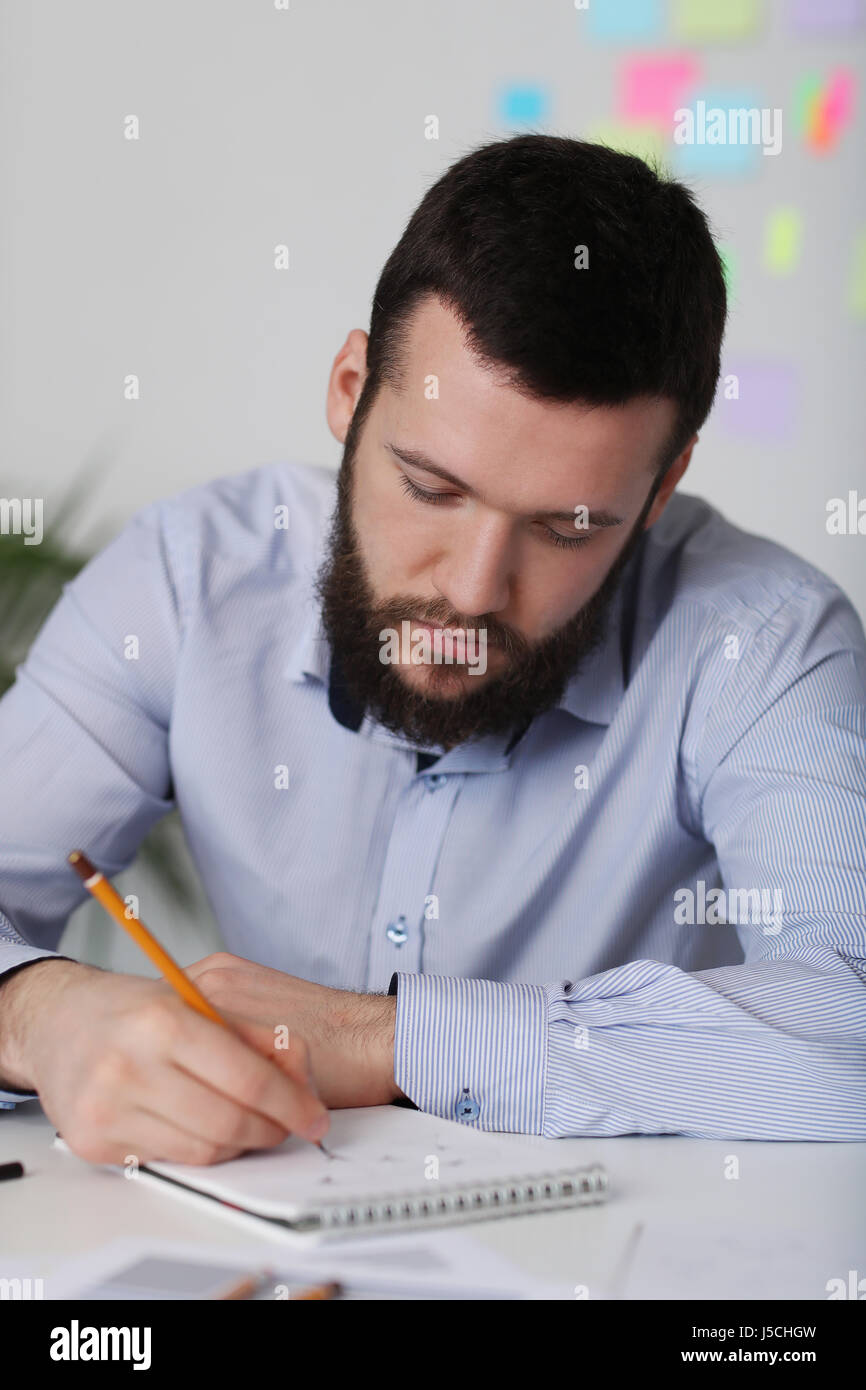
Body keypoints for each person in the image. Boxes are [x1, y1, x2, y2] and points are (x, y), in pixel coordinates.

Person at [1, 135, 864, 1167]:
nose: (468, 587)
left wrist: (390, 1039)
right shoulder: (185, 584)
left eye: (566, 526)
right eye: (430, 488)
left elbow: (847, 1015)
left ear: (661, 485)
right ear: (349, 385)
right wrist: (36, 1013)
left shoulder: (761, 640)